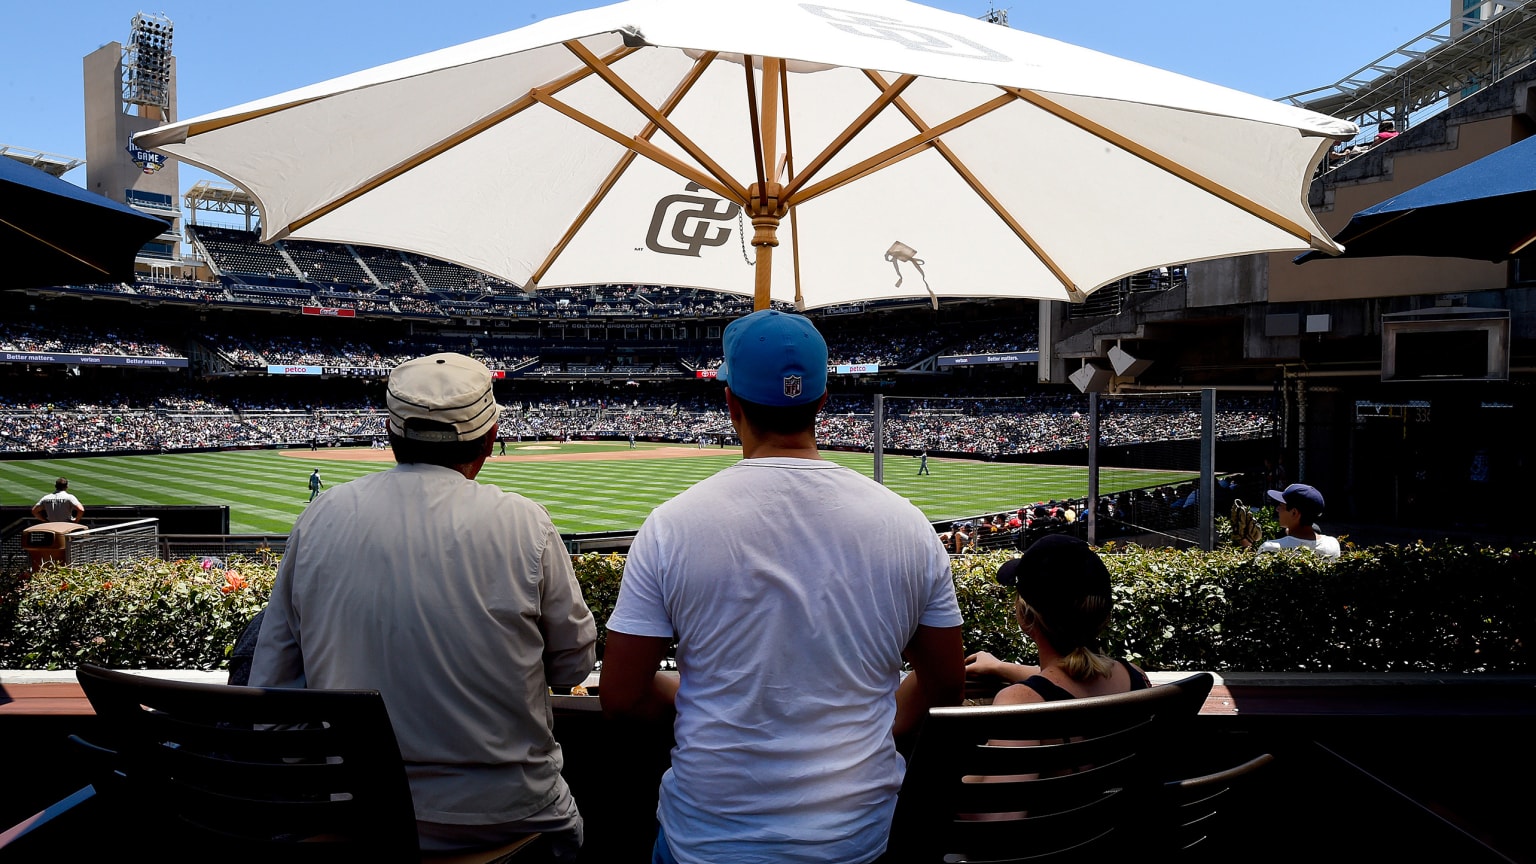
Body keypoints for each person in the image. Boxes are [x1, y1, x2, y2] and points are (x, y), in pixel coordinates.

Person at [600, 309, 964, 864]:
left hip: (705, 844)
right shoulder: (910, 526)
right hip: (859, 842)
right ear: (822, 404)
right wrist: (865, 725)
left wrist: (703, 699)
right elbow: (943, 685)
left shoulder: (670, 525)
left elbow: (622, 699)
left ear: (731, 404)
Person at [251, 352, 597, 857]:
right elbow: (574, 665)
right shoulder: (525, 523)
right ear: (489, 439)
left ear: (391, 437)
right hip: (515, 821)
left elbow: (273, 697)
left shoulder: (320, 518)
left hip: (363, 819)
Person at [963, 534, 1150, 703]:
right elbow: (1070, 676)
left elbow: (1059, 680)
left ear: (1026, 616)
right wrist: (998, 667)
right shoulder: (1136, 677)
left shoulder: (1018, 701)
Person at [1257, 483, 1341, 558]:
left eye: (1281, 505)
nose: (1277, 509)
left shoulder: (1270, 548)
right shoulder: (1333, 544)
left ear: (1294, 513)